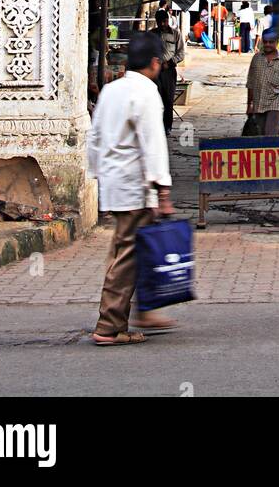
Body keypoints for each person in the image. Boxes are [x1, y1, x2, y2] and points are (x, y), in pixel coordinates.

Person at [87, 31, 175, 345]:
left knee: (130, 250)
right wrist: (162, 190)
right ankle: (109, 326)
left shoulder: (111, 90)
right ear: (154, 63)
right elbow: (152, 144)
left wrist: (96, 175)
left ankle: (140, 312)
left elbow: (94, 137)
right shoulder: (147, 93)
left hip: (114, 184)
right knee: (127, 255)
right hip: (135, 186)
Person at [150, 7, 184, 136]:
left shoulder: (176, 34)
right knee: (155, 99)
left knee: (168, 100)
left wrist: (169, 63)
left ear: (167, 20)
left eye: (164, 21)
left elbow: (181, 54)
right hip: (154, 71)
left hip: (169, 71)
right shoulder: (152, 34)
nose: (162, 24)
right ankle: (156, 126)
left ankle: (167, 126)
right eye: (160, 22)